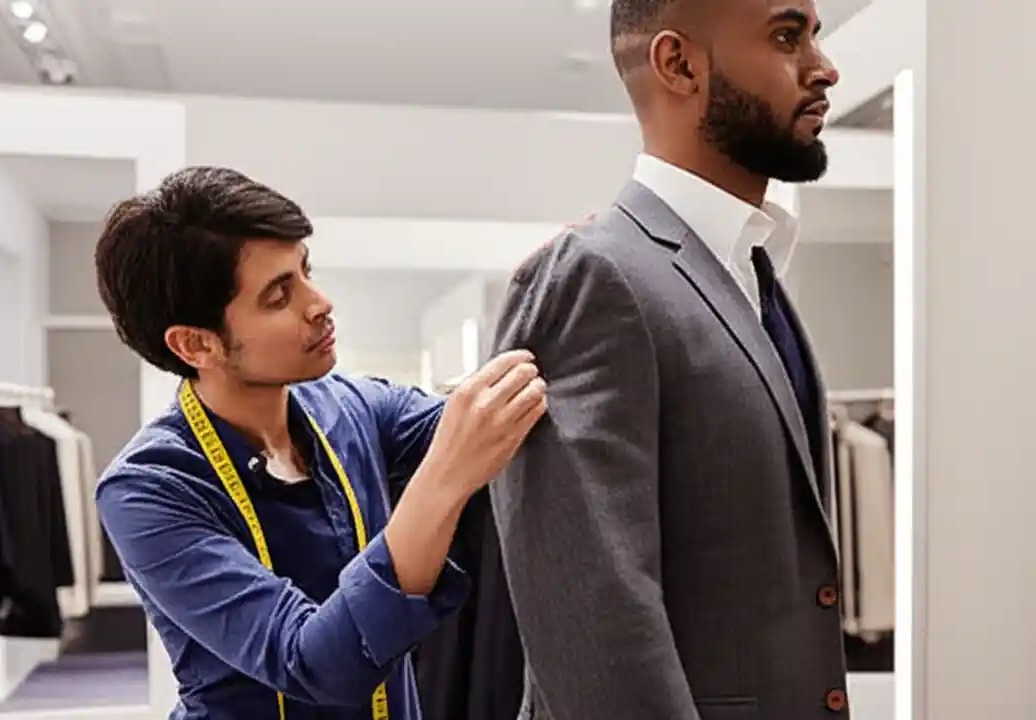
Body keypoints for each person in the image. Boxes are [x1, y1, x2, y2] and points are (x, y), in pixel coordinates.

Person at [490, 1, 848, 718]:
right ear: (678, 64)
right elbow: (597, 626)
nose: (824, 68)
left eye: (814, 35)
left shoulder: (751, 273)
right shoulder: (597, 278)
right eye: (787, 36)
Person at [92, 166, 547, 720]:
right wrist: (444, 481)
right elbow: (314, 664)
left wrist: (557, 283)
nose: (320, 303)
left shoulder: (354, 407)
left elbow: (493, 419)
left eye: (306, 271)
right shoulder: (147, 492)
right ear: (195, 345)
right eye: (279, 295)